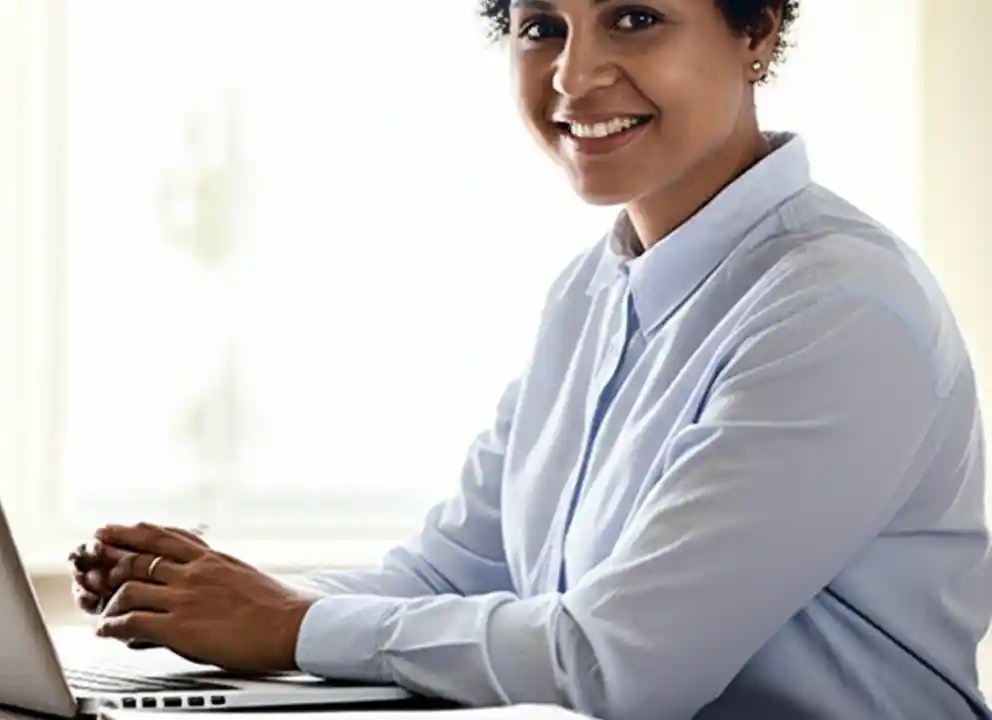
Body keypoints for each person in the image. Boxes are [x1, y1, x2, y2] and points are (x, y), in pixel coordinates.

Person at [70, 0, 992, 717]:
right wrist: (205, 597)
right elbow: (448, 576)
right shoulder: (591, 292)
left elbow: (614, 666)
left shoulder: (836, 308)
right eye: (541, 27)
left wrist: (290, 625)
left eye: (635, 17)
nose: (576, 74)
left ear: (758, 29)